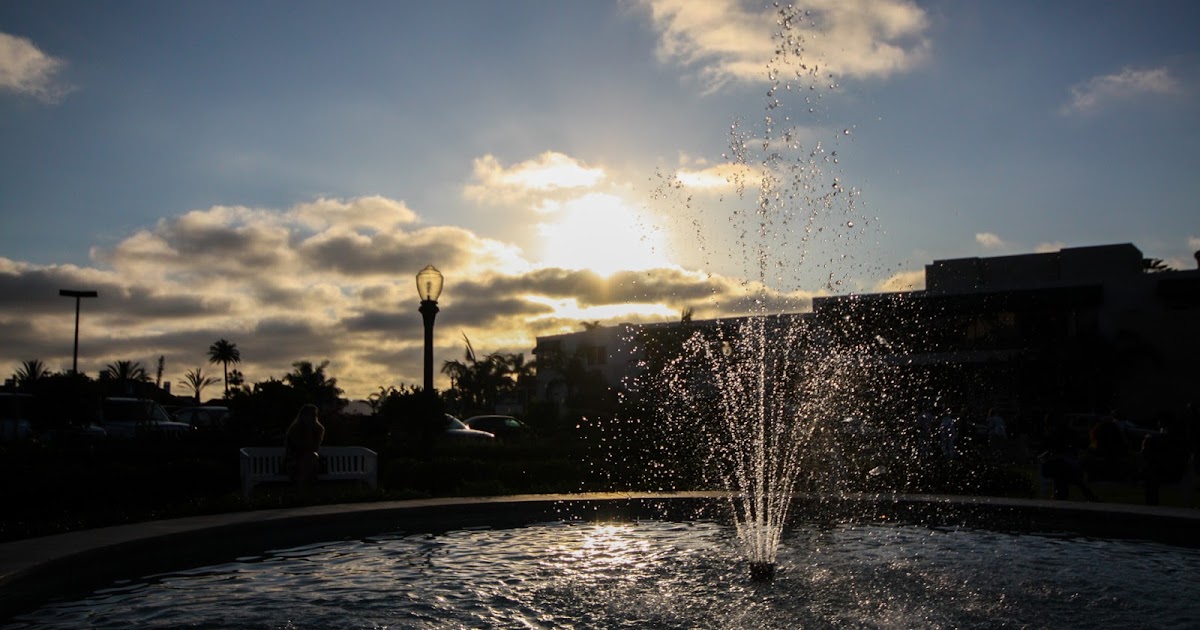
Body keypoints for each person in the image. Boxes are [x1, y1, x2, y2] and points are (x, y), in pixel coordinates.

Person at [284, 404, 325, 488]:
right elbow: (298, 447)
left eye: (314, 415)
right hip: (294, 459)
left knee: (310, 458)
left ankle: (300, 486)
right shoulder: (294, 429)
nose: (313, 417)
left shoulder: (319, 429)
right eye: (310, 415)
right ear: (303, 416)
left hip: (312, 458)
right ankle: (304, 486)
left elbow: (314, 447)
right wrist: (307, 430)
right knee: (307, 460)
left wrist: (309, 430)